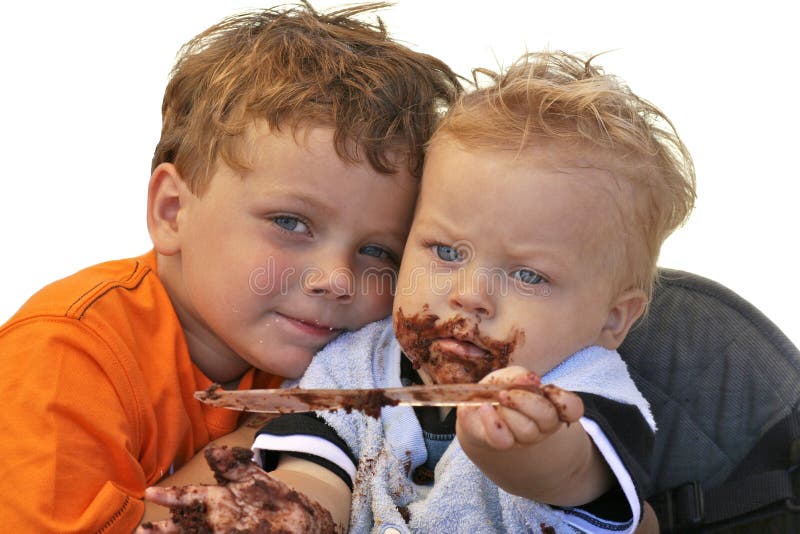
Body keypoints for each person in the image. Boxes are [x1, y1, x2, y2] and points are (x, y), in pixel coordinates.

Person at [139, 50, 696, 533]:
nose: (469, 295)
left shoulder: (583, 394)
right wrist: (297, 510)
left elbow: (575, 476)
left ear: (613, 320)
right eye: (446, 253)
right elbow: (322, 462)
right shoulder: (359, 360)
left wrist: (527, 450)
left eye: (529, 276)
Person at [0, 2, 461, 531]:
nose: (337, 278)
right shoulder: (65, 358)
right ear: (172, 211)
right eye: (291, 222)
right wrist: (250, 440)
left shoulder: (348, 356)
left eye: (379, 251)